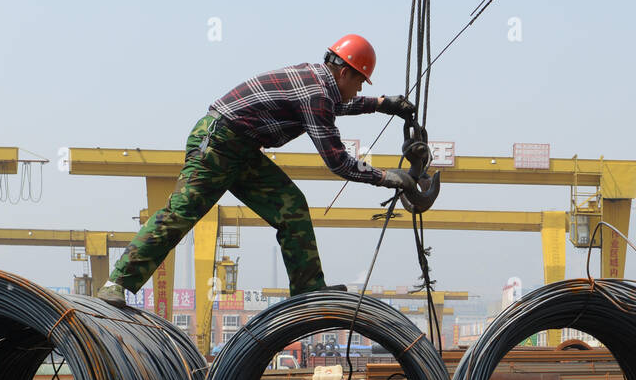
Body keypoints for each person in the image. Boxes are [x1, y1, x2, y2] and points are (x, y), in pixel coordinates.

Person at [96, 35, 419, 306]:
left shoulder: (318, 81)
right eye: (361, 82)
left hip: (242, 148)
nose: (360, 90)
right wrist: (386, 177)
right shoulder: (317, 93)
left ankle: (307, 289)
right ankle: (117, 283)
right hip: (218, 143)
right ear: (345, 73)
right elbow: (338, 161)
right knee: (182, 212)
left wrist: (381, 104)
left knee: (290, 205)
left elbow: (339, 104)